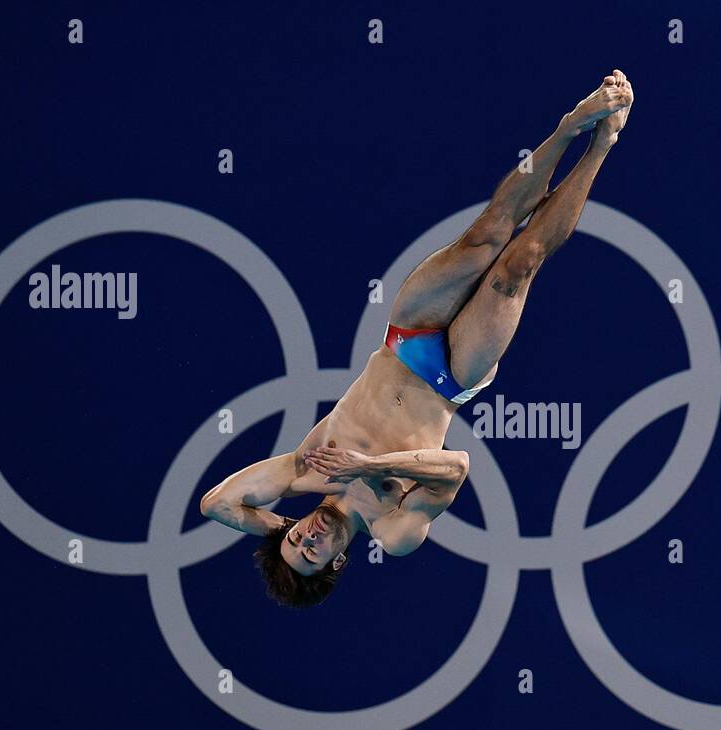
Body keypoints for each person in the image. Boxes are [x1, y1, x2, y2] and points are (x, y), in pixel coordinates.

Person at [200, 70, 634, 607]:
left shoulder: (303, 474)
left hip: (404, 339)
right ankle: (601, 144)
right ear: (337, 561)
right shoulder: (392, 531)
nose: (306, 538)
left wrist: (273, 528)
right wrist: (369, 468)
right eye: (311, 552)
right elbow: (456, 469)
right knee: (519, 263)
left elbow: (216, 505)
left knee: (487, 235)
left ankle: (571, 126)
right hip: (454, 376)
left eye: (294, 539)